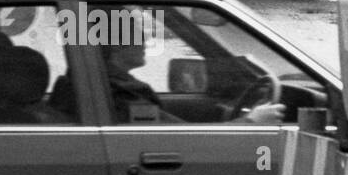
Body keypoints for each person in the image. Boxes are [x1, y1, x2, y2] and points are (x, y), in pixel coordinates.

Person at [102, 40, 284, 125]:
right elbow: (181, 138)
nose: (145, 41)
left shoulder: (106, 85)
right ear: (116, 45)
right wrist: (252, 122)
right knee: (263, 167)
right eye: (136, 33)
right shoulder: (121, 92)